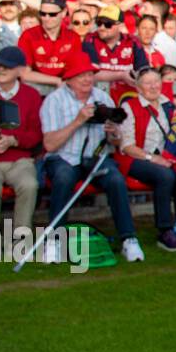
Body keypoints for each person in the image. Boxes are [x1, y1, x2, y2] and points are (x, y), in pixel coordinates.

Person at [40, 53, 142, 261]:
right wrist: (78, 121)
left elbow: (115, 141)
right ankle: (54, 239)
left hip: (96, 156)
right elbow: (49, 144)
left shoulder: (102, 98)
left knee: (115, 180)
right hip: (63, 157)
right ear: (69, 79)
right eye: (81, 76)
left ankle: (128, 239)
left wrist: (114, 132)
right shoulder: (54, 101)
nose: (87, 79)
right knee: (63, 177)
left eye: (90, 75)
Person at [116, 66, 176, 251]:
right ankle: (164, 230)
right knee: (165, 176)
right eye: (148, 83)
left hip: (165, 159)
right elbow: (127, 146)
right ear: (138, 87)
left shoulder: (168, 105)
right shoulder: (129, 107)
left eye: (156, 82)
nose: (153, 86)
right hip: (136, 158)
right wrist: (152, 158)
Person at [0, 47, 42, 234]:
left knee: (29, 184)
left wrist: (14, 140)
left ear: (20, 70)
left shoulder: (31, 95)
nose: (1, 70)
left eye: (7, 67)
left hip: (19, 159)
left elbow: (36, 134)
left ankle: (21, 236)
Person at [18, 0, 83, 95]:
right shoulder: (28, 36)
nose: (46, 18)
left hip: (65, 89)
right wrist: (56, 81)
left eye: (52, 14)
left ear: (63, 12)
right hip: (37, 88)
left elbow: (76, 70)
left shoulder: (73, 37)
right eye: (43, 14)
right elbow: (24, 74)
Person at [83, 4, 148, 103]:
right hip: (97, 99)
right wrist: (121, 75)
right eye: (99, 23)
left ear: (120, 25)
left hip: (127, 97)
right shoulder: (90, 40)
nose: (102, 27)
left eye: (108, 24)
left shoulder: (132, 42)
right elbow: (90, 74)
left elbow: (144, 71)